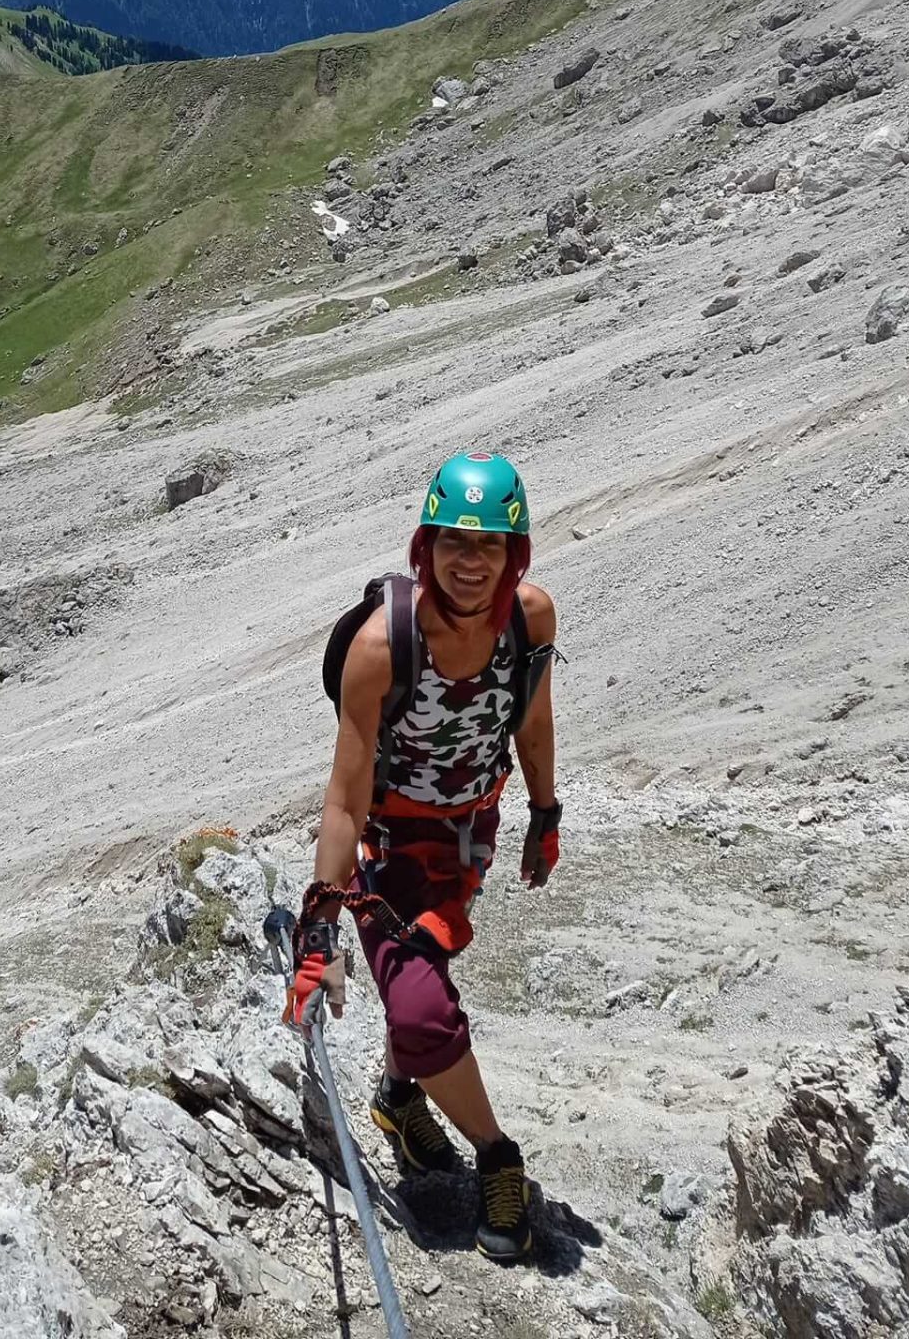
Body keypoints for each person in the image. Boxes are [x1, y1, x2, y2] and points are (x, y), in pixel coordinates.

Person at [287, 451, 560, 1263]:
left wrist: (545, 811)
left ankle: (401, 1098)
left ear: (514, 554)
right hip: (387, 852)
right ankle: (497, 1156)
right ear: (424, 547)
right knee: (419, 1011)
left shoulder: (529, 620)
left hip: (468, 839)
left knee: (423, 981)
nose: (469, 562)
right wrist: (318, 929)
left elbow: (531, 721)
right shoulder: (382, 647)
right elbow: (344, 798)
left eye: (489, 545)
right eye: (452, 542)